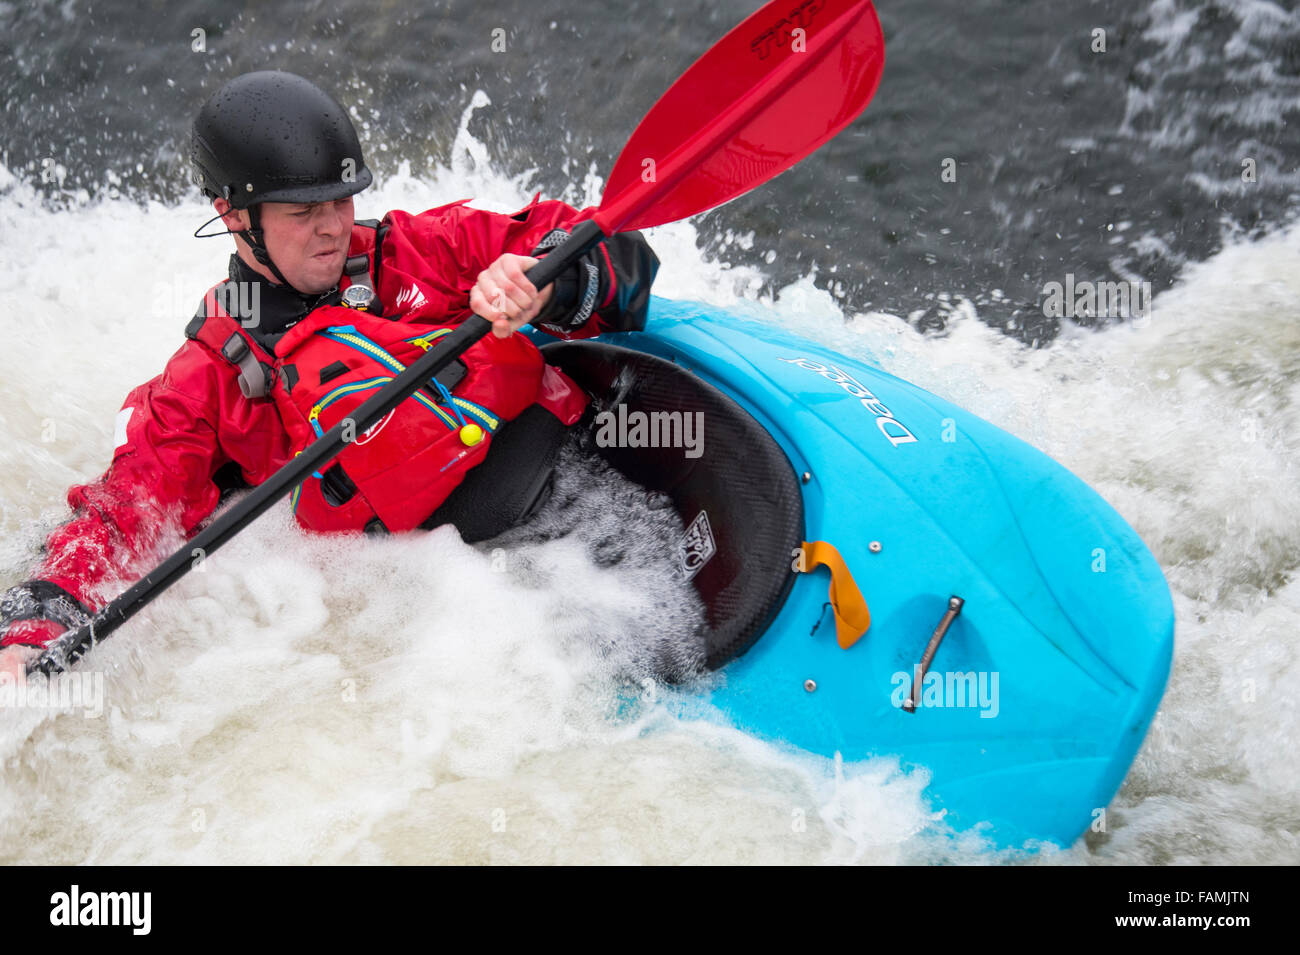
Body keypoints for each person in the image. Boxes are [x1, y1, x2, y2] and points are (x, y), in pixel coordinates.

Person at [0, 71, 658, 675]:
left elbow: (618, 254)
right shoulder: (210, 377)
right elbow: (120, 517)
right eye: (302, 212)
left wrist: (544, 283)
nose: (333, 228)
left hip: (588, 499)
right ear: (233, 216)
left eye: (341, 202)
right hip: (461, 599)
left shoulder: (410, 256)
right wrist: (34, 629)